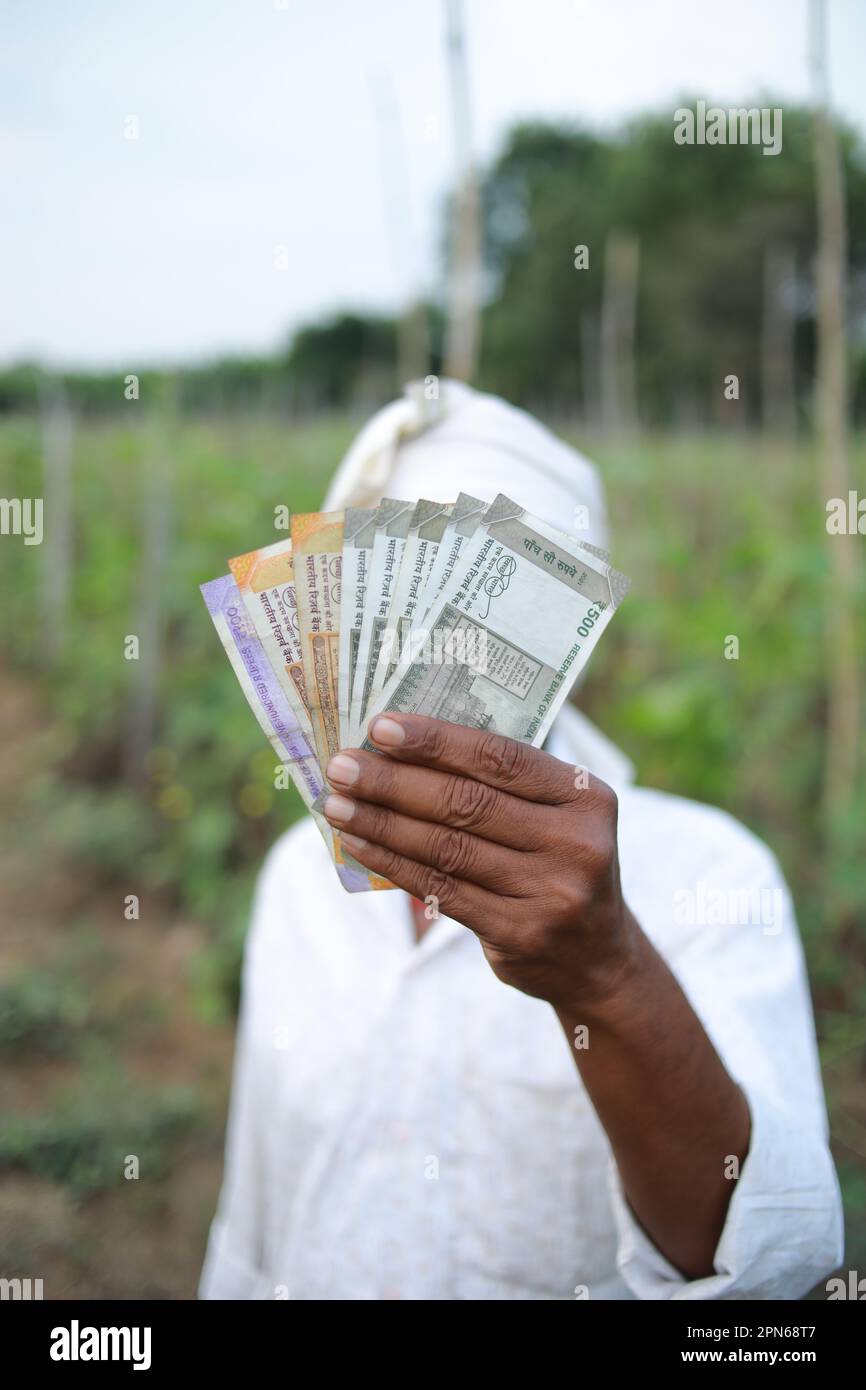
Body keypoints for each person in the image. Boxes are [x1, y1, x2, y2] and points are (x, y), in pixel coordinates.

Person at [200, 380, 843, 1301]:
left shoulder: (712, 874)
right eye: (404, 605)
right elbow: (255, 1219)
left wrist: (609, 974)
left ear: (562, 637)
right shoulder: (294, 884)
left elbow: (765, 1264)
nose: (432, 653)